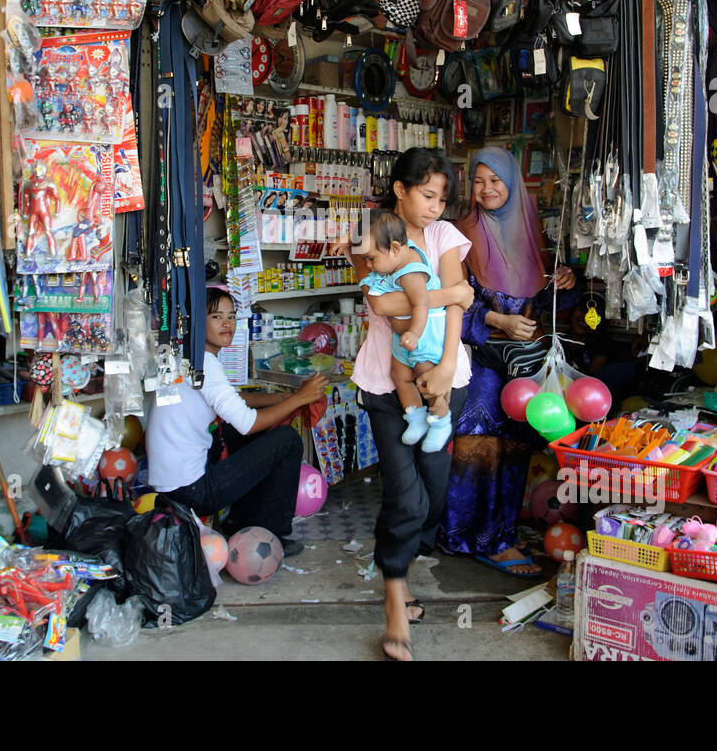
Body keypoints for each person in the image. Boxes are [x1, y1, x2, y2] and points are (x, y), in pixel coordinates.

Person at [346, 148, 475, 662]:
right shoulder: (371, 231)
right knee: (405, 496)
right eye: (427, 195)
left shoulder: (445, 236)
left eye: (442, 198)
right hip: (386, 383)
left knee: (433, 495)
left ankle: (404, 572)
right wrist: (449, 294)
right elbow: (383, 303)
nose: (435, 207)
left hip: (448, 378)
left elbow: (458, 299)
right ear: (400, 189)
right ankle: (395, 606)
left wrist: (445, 368)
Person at [441, 146, 577, 578]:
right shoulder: (460, 237)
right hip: (482, 365)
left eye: (495, 180)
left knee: (515, 450)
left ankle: (502, 533)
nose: (486, 189)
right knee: (480, 450)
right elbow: (448, 306)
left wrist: (566, 280)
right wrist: (496, 318)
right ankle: (475, 539)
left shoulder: (531, 234)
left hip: (523, 369)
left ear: (513, 183)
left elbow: (548, 302)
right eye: (478, 181)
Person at [144, 288, 326, 555]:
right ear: (195, 320)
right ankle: (271, 532)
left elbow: (230, 400)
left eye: (231, 316)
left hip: (172, 487)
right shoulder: (205, 363)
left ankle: (240, 519)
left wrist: (281, 398)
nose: (227, 324)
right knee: (286, 441)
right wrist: (299, 398)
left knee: (233, 431)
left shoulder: (184, 354)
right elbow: (247, 422)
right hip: (193, 492)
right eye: (217, 317)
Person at [357, 210, 452, 451]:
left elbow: (422, 304)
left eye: (371, 259)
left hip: (423, 335)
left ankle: (441, 421)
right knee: (399, 375)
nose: (368, 265)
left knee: (426, 380)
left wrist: (415, 333)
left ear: (396, 248)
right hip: (404, 338)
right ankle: (416, 417)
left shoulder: (410, 271)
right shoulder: (391, 262)